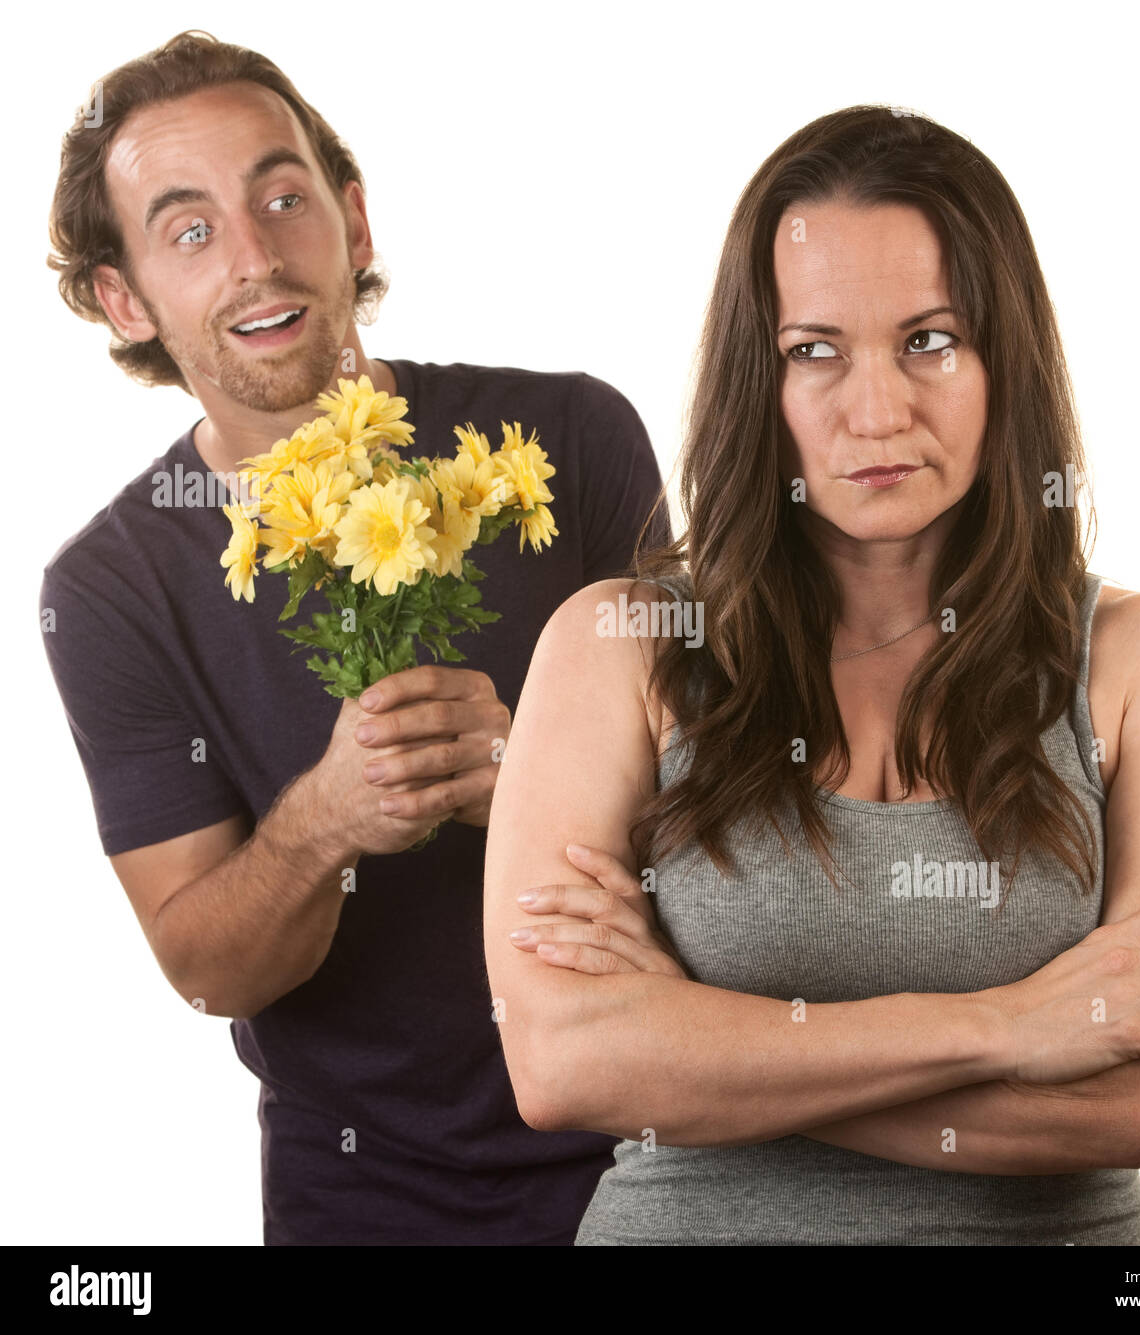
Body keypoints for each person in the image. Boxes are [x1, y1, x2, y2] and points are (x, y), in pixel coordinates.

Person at [482, 105, 1140, 1245]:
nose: (875, 410)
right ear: (762, 380)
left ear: (1006, 357)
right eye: (815, 352)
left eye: (929, 340)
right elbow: (558, 1063)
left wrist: (694, 1041)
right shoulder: (620, 645)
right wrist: (1008, 1025)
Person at [39, 30, 669, 1245]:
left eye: (284, 197)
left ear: (355, 220)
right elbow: (209, 969)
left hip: (659, 1150)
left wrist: (535, 783)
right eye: (189, 230)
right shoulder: (110, 590)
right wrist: (329, 816)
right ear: (125, 299)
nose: (257, 259)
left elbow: (745, 813)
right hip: (365, 1198)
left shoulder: (573, 438)